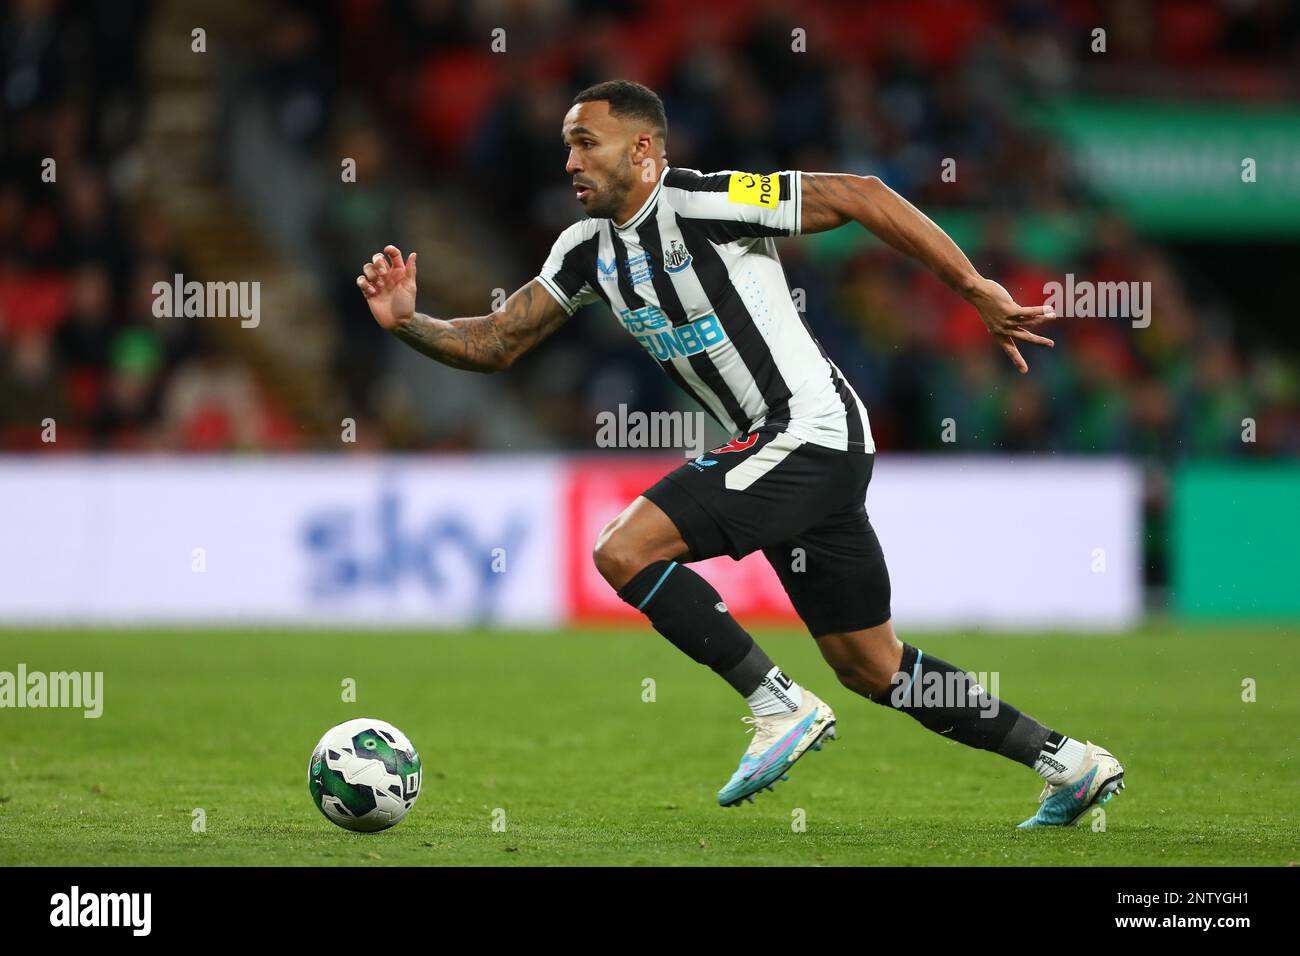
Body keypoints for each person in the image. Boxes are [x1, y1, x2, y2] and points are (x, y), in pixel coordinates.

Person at [355, 80, 1124, 827]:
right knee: (872, 666)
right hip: (798, 450)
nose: (570, 163)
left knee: (622, 550)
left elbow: (861, 193)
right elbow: (495, 342)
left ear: (644, 149)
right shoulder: (586, 251)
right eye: (566, 148)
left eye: (586, 143)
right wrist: (406, 322)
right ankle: (1070, 762)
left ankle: (776, 702)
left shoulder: (706, 201)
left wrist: (976, 286)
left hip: (808, 430)